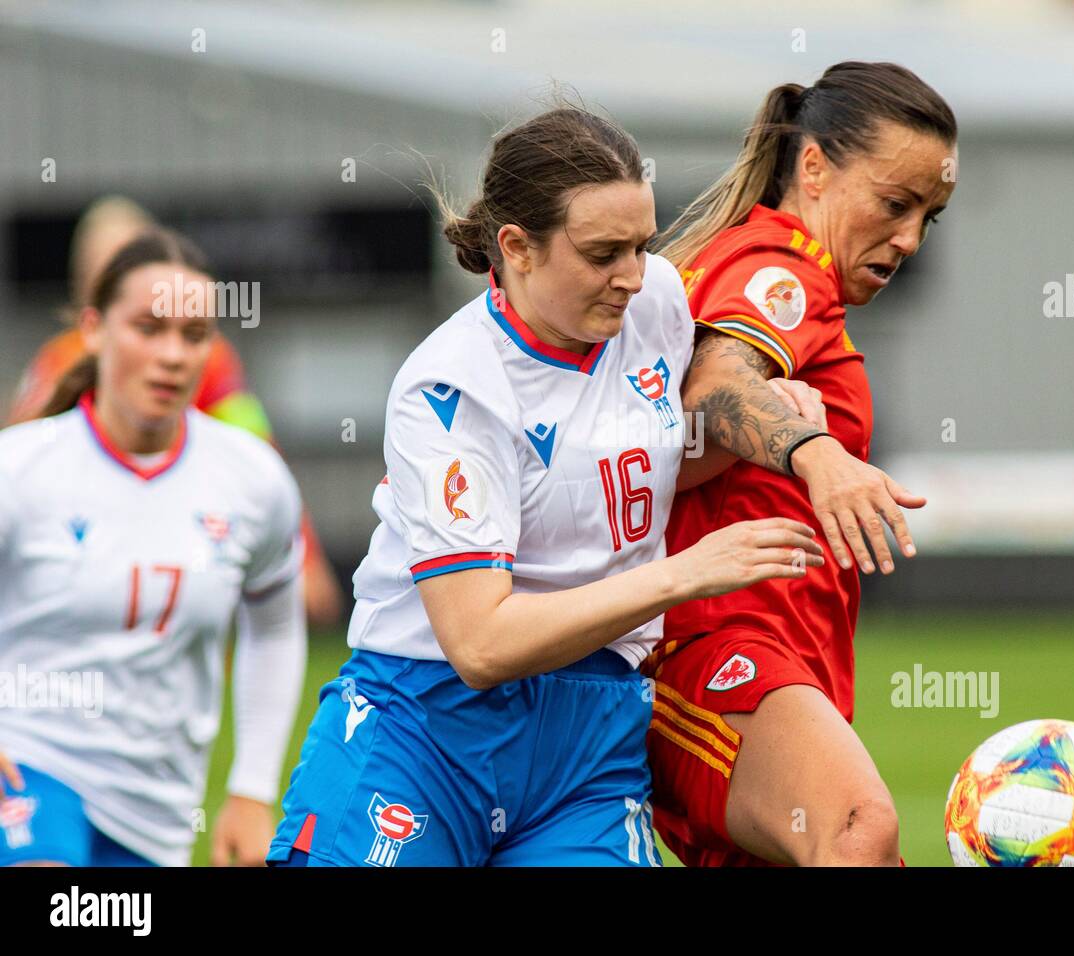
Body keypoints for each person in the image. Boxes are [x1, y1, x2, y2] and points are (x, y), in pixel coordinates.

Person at [266, 105, 826, 867]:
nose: (632, 275)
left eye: (641, 244)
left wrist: (755, 431)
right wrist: (684, 574)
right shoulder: (453, 386)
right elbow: (481, 644)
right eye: (602, 253)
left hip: (590, 738)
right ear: (517, 248)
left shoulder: (654, 300)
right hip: (428, 728)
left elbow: (641, 463)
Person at [644, 61, 958, 867]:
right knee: (860, 832)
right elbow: (717, 383)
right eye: (895, 204)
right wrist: (820, 456)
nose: (911, 238)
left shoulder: (764, 267)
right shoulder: (781, 269)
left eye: (931, 214)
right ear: (812, 167)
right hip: (717, 647)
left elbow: (671, 435)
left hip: (782, 659)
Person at [0, 229, 308, 866]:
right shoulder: (21, 468)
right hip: (28, 761)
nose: (172, 355)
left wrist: (252, 790)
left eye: (194, 336)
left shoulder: (252, 480)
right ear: (92, 329)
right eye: (149, 327)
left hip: (158, 810)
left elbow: (274, 629)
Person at [7, 196, 344, 628]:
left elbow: (258, 453)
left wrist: (304, 554)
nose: (171, 355)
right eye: (102, 263)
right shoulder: (53, 362)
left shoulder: (209, 359)